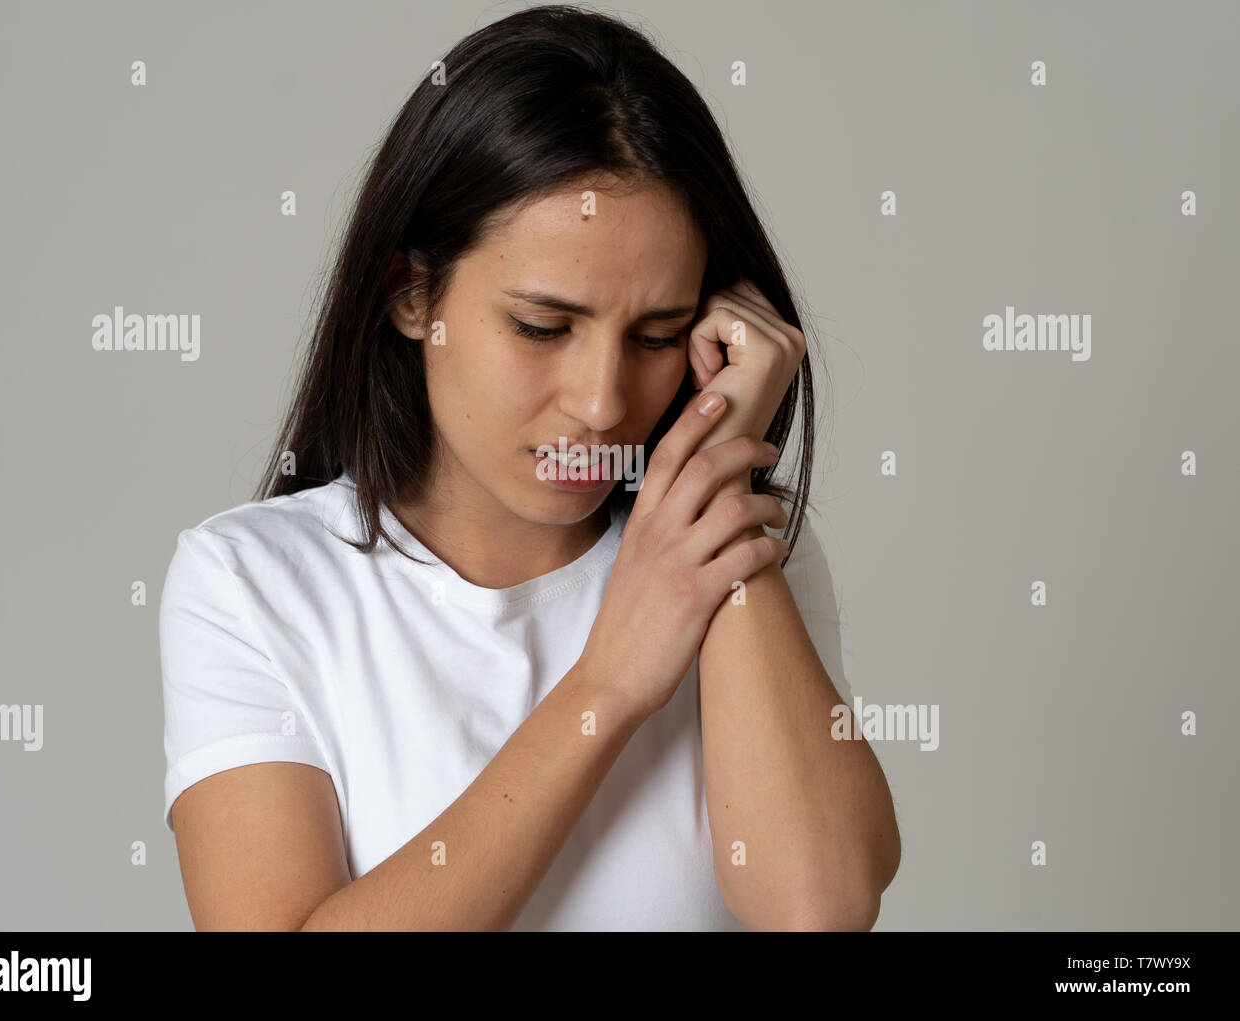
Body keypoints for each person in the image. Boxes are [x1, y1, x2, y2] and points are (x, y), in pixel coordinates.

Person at [160, 4, 900, 931]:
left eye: (657, 334)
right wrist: (610, 681)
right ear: (410, 293)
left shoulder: (739, 544)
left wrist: (716, 462)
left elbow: (818, 909)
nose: (601, 400)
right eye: (543, 327)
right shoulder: (251, 584)